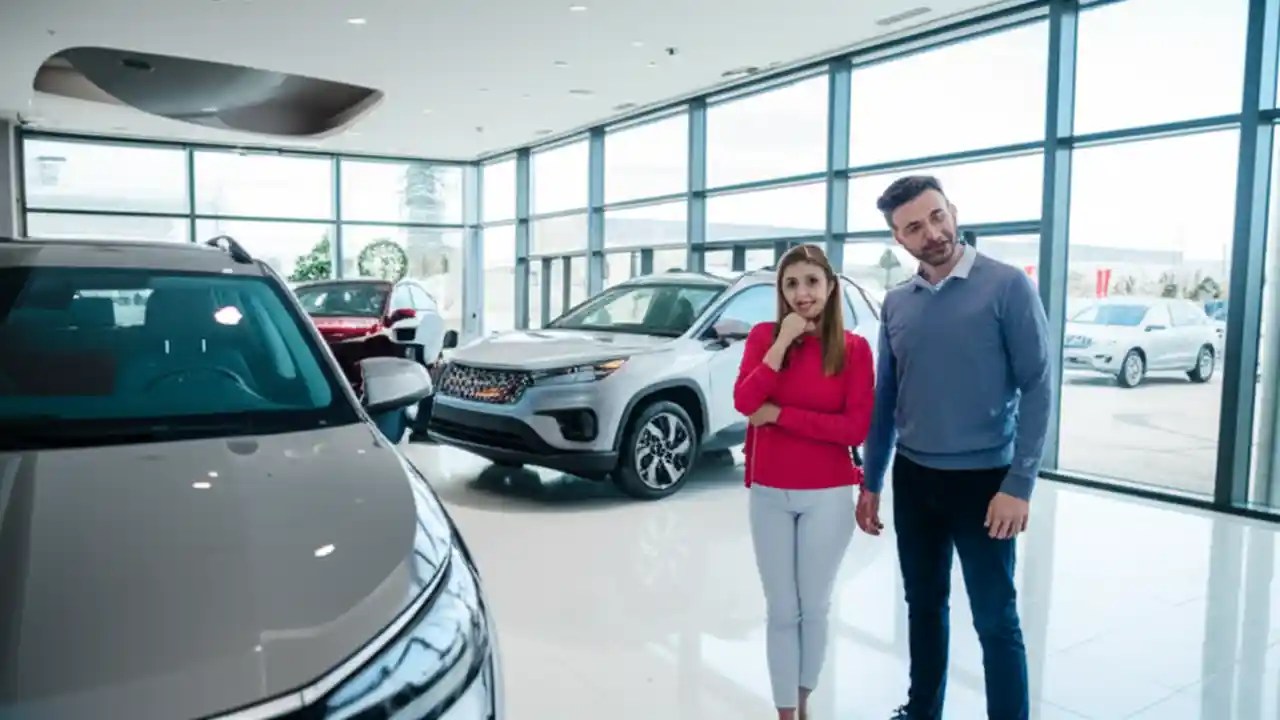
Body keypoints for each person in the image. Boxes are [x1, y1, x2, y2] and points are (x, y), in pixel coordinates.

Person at [857, 176, 1052, 720]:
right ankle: (922, 711)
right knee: (922, 605)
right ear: (899, 240)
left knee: (995, 619)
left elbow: (1039, 386)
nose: (933, 232)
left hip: (986, 482)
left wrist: (1019, 485)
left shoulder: (1007, 286)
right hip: (916, 481)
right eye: (914, 227)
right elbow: (887, 397)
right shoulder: (897, 303)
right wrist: (872, 479)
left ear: (953, 211)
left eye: (937, 216)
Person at [733, 243, 876, 720]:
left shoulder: (853, 350)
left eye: (811, 281)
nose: (802, 293)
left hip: (829, 494)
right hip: (769, 493)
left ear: (830, 286)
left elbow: (854, 429)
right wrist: (780, 345)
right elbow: (745, 401)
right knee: (780, 609)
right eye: (790, 283)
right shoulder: (762, 338)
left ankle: (805, 700)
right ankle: (785, 714)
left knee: (813, 605)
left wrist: (780, 415)